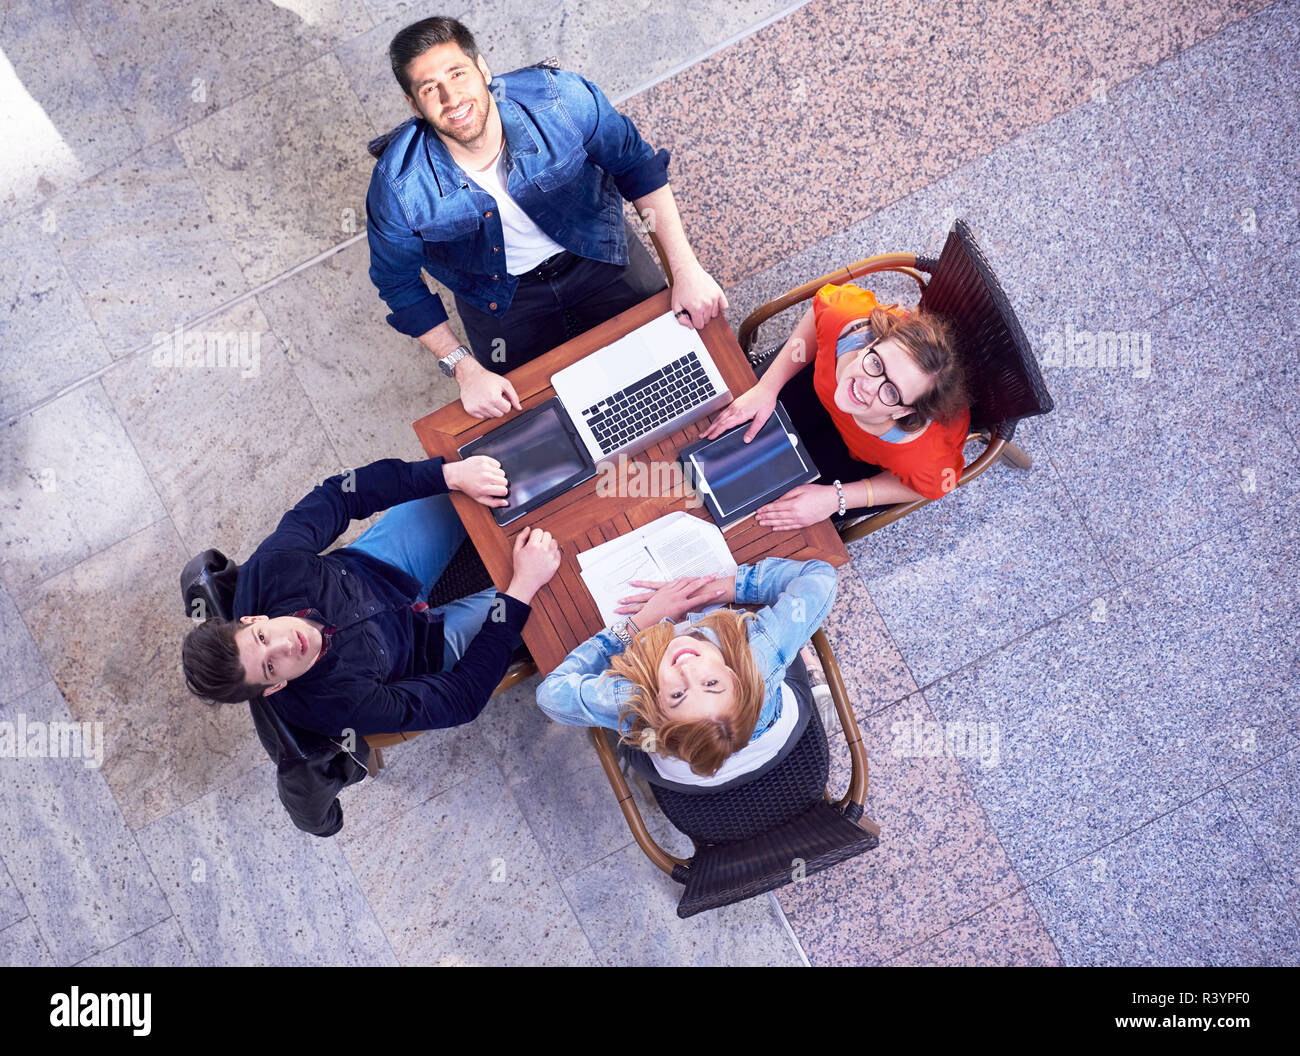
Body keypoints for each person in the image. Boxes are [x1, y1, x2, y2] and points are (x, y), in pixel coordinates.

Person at [366, 15, 728, 419]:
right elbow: (397, 285)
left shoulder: (559, 100)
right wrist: (465, 370)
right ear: (413, 105)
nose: (452, 99)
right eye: (430, 88)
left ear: (483, 68)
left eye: (458, 74)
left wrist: (686, 272)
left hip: (597, 254)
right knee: (546, 420)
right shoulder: (398, 188)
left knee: (678, 370)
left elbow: (637, 168)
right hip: (500, 299)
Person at [181, 455, 560, 737]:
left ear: (253, 620)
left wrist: (447, 474)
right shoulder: (338, 707)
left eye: (261, 638)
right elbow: (462, 698)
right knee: (548, 588)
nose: (284, 645)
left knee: (483, 470)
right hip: (426, 644)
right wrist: (521, 590)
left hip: (381, 567)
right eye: (270, 666)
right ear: (275, 687)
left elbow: (338, 496)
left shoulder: (272, 570)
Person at [535, 558, 837, 782]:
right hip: (773, 740)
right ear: (733, 675)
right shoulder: (761, 654)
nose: (686, 668)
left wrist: (636, 624)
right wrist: (720, 588)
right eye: (710, 683)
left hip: (688, 781)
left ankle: (795, 653)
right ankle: (806, 663)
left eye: (678, 695)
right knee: (767, 633)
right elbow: (820, 577)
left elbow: (550, 694)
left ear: (655, 706)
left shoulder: (631, 699)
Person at [705, 283, 970, 529]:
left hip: (861, 453)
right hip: (822, 392)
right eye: (876, 364)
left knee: (769, 515)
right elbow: (821, 308)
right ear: (873, 343)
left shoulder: (922, 455)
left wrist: (836, 497)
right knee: (724, 431)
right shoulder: (845, 318)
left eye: (890, 390)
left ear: (904, 411)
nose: (868, 386)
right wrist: (768, 387)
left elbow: (937, 485)